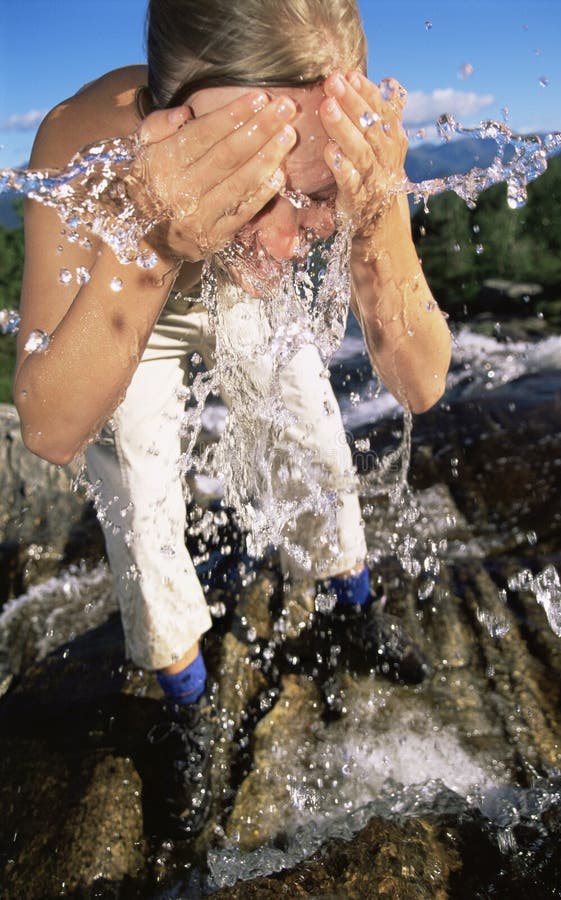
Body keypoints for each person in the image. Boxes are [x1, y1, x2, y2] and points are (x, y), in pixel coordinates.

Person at [14, 0, 451, 837]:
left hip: (226, 283)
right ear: (168, 125)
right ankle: (184, 698)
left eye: (313, 194)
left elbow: (421, 380)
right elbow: (50, 425)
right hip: (133, 285)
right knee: (136, 484)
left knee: (310, 427)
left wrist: (376, 217)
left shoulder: (323, 163)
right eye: (253, 188)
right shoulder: (82, 145)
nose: (290, 239)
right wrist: (150, 233)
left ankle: (349, 605)